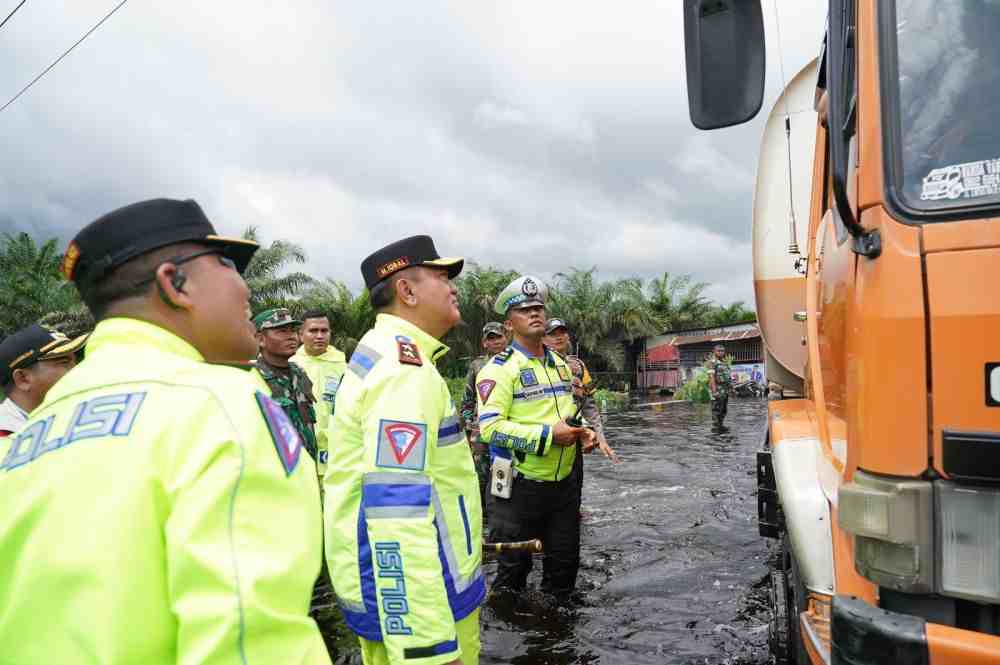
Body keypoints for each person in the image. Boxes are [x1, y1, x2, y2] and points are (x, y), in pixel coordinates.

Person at [0, 198, 331, 664]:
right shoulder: (222, 403)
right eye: (226, 265)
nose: (245, 289)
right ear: (174, 283)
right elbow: (245, 642)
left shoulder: (40, 425)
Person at [324, 235, 484, 665]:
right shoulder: (402, 371)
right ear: (406, 291)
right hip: (426, 606)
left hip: (404, 595)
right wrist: (427, 646)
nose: (453, 287)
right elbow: (397, 512)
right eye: (440, 276)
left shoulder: (382, 355)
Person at [476, 276, 595, 599]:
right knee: (512, 573)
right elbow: (489, 428)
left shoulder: (559, 364)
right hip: (517, 486)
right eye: (524, 309)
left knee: (564, 571)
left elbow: (570, 412)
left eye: (538, 307)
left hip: (564, 486)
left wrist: (585, 430)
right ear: (509, 324)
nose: (534, 313)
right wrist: (547, 436)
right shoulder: (499, 369)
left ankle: (557, 640)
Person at [542, 318, 618, 464]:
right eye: (552, 334)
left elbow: (589, 407)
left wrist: (601, 439)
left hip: (574, 439)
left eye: (562, 332)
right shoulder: (537, 366)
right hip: (546, 439)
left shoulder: (578, 367)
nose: (559, 337)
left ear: (568, 336)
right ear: (543, 339)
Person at [252, 307, 319, 462]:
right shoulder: (253, 378)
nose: (292, 337)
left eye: (292, 331)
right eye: (282, 331)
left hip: (307, 470)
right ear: (260, 339)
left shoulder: (299, 374)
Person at [0, 325, 87, 436]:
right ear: (23, 379)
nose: (77, 369)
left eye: (75, 361)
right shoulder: (5, 435)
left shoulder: (72, 414)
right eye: (64, 362)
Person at [292, 310, 347, 483]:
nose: (319, 336)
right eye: (313, 331)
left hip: (337, 451)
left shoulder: (344, 365)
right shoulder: (290, 365)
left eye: (324, 331)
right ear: (301, 335)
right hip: (300, 451)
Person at [460, 321, 508, 507]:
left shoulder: (515, 362)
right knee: (480, 474)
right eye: (491, 338)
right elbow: (467, 400)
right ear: (484, 343)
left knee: (502, 470)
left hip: (505, 428)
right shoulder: (477, 366)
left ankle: (500, 512)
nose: (496, 341)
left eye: (499, 336)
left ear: (506, 338)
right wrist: (469, 427)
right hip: (480, 431)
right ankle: (482, 516)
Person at [707, 344, 732, 431]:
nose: (721, 352)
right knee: (716, 410)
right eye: (719, 351)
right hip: (717, 389)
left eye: (722, 351)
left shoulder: (724, 363)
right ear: (714, 352)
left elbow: (727, 377)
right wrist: (714, 391)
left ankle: (721, 425)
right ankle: (716, 427)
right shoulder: (712, 363)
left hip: (724, 390)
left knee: (723, 409)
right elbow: (711, 377)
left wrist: (731, 389)